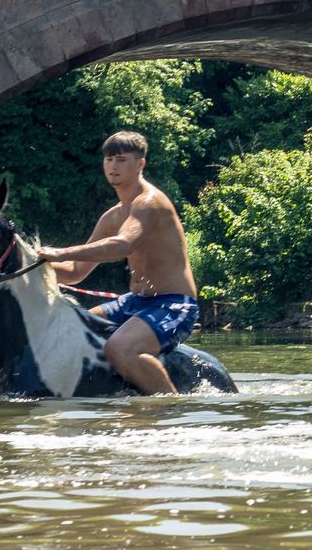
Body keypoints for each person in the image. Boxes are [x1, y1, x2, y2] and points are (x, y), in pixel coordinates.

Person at [38, 131, 201, 395]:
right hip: (134, 301)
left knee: (119, 348)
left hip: (173, 304)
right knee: (76, 329)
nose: (113, 166)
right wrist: (25, 269)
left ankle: (171, 405)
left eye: (122, 160)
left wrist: (61, 252)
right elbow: (76, 272)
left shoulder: (150, 203)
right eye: (109, 159)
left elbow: (123, 245)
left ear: (140, 164)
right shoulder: (112, 217)